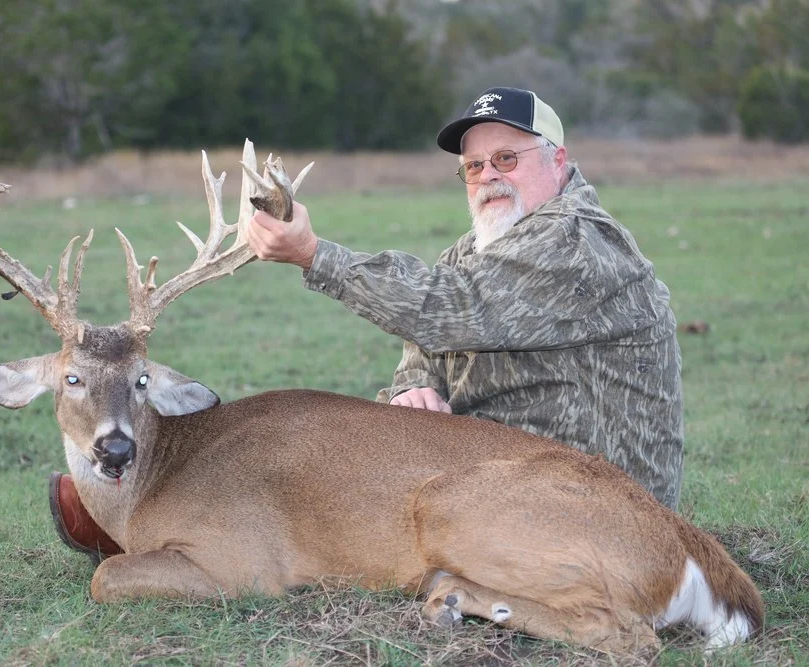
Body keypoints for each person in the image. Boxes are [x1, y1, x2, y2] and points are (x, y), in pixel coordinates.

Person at [246, 86, 684, 510]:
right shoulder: (467, 252)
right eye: (473, 166)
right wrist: (413, 390)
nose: (488, 175)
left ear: (557, 161)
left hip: (600, 503)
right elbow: (422, 351)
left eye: (506, 159)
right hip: (503, 475)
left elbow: (453, 308)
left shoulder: (576, 239)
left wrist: (315, 255)